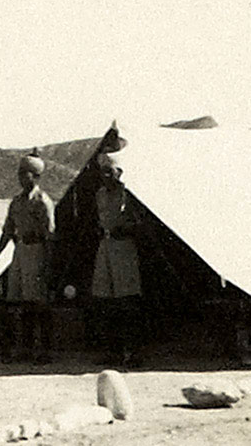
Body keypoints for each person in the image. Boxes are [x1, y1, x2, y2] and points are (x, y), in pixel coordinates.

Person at [0, 149, 55, 363]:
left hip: (37, 251)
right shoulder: (16, 202)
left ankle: (43, 350)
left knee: (38, 303)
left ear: (35, 177)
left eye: (25, 173)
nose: (21, 177)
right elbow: (7, 232)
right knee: (20, 302)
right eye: (20, 173)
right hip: (20, 252)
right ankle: (24, 348)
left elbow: (50, 236)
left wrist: (48, 264)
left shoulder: (43, 202)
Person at [90, 151, 144, 366]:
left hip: (124, 247)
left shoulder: (127, 194)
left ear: (119, 172)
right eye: (103, 172)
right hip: (106, 245)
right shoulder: (100, 194)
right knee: (106, 299)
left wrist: (126, 228)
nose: (106, 176)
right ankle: (112, 350)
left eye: (109, 172)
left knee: (127, 300)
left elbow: (140, 223)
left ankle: (132, 351)